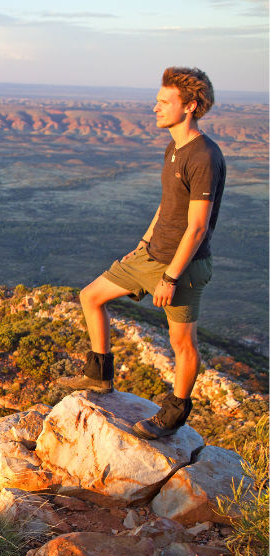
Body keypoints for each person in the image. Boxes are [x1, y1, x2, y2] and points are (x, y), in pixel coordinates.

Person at [56, 67, 225, 439]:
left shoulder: (203, 156)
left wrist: (170, 277)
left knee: (182, 343)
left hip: (183, 265)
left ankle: (173, 415)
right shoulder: (174, 148)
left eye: (165, 102)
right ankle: (99, 376)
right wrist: (144, 241)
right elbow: (168, 206)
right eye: (157, 100)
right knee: (91, 296)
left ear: (191, 105)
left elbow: (196, 227)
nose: (155, 108)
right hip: (151, 253)